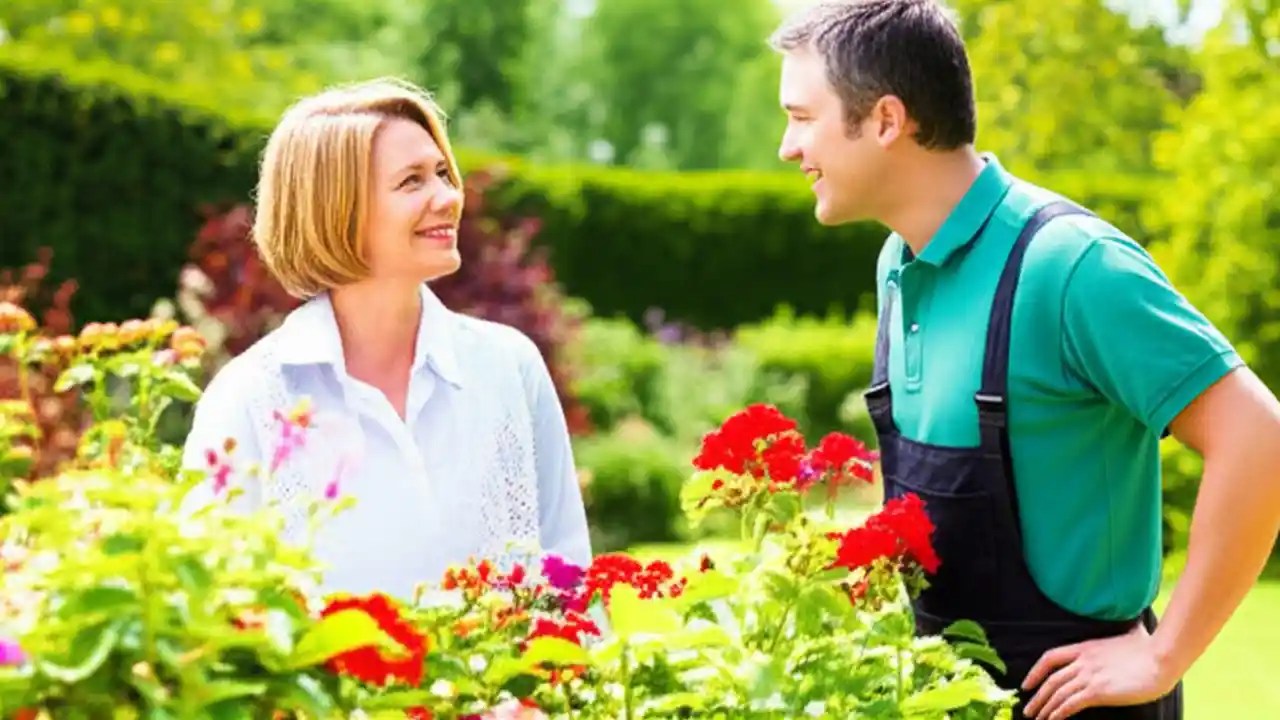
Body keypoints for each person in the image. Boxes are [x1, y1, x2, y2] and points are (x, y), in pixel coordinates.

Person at [769, 1, 1280, 718]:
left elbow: (1261, 437)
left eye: (801, 116)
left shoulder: (1070, 267)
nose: (788, 147)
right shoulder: (898, 263)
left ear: (886, 120)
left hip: (1073, 703)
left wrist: (1164, 656)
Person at [180, 78, 592, 603]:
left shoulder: (509, 367)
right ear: (337, 209)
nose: (448, 197)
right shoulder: (248, 398)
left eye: (443, 173)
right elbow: (211, 603)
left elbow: (568, 574)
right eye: (412, 181)